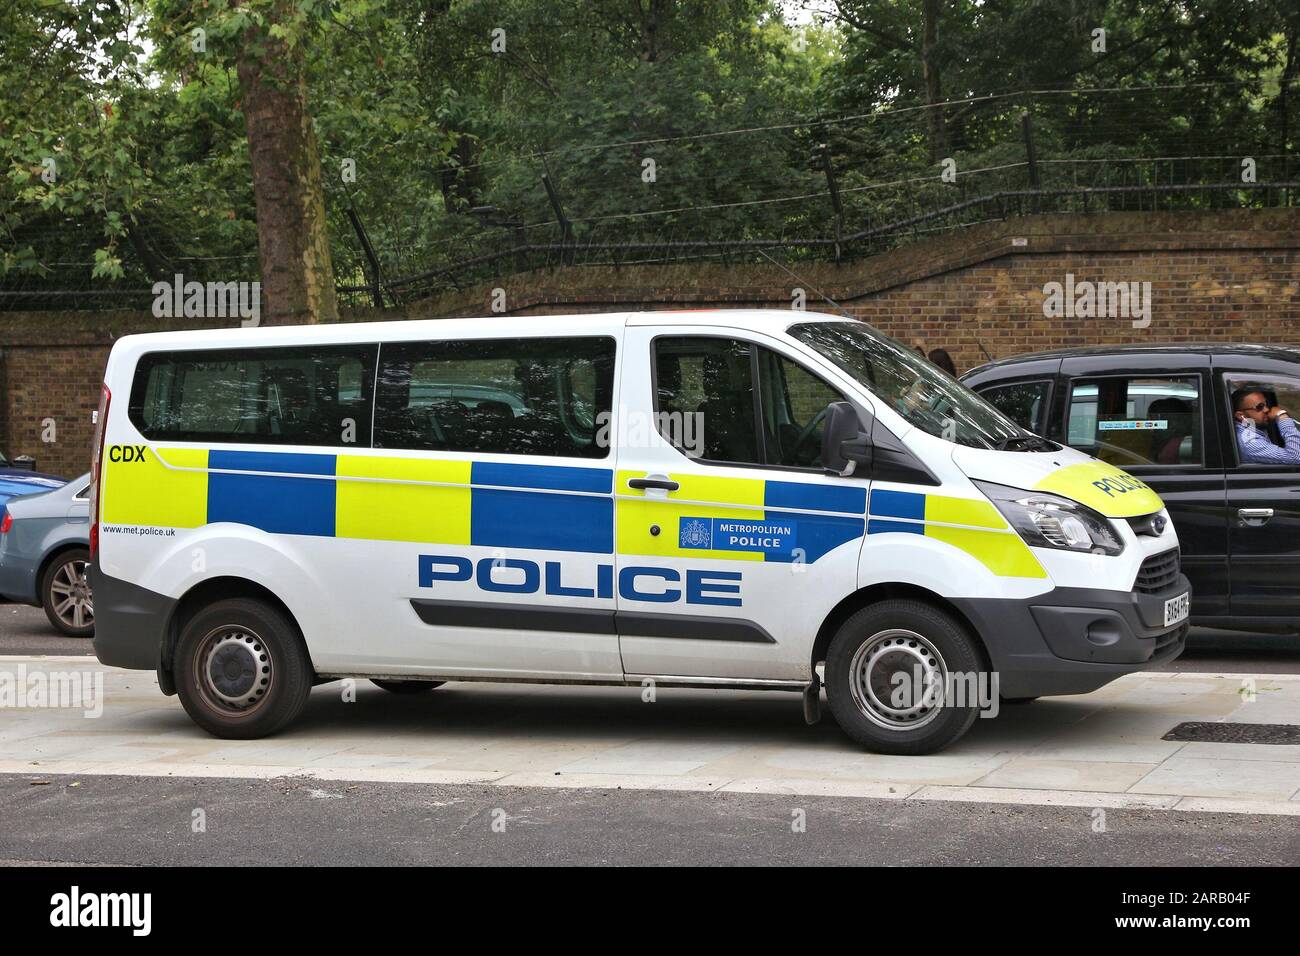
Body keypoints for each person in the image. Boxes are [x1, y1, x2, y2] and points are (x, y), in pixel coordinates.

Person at [1232, 386, 1300, 465]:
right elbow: (1296, 457)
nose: (1266, 409)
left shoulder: (1250, 424)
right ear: (1241, 415)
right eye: (1259, 407)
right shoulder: (1250, 443)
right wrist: (1282, 416)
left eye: (1266, 404)